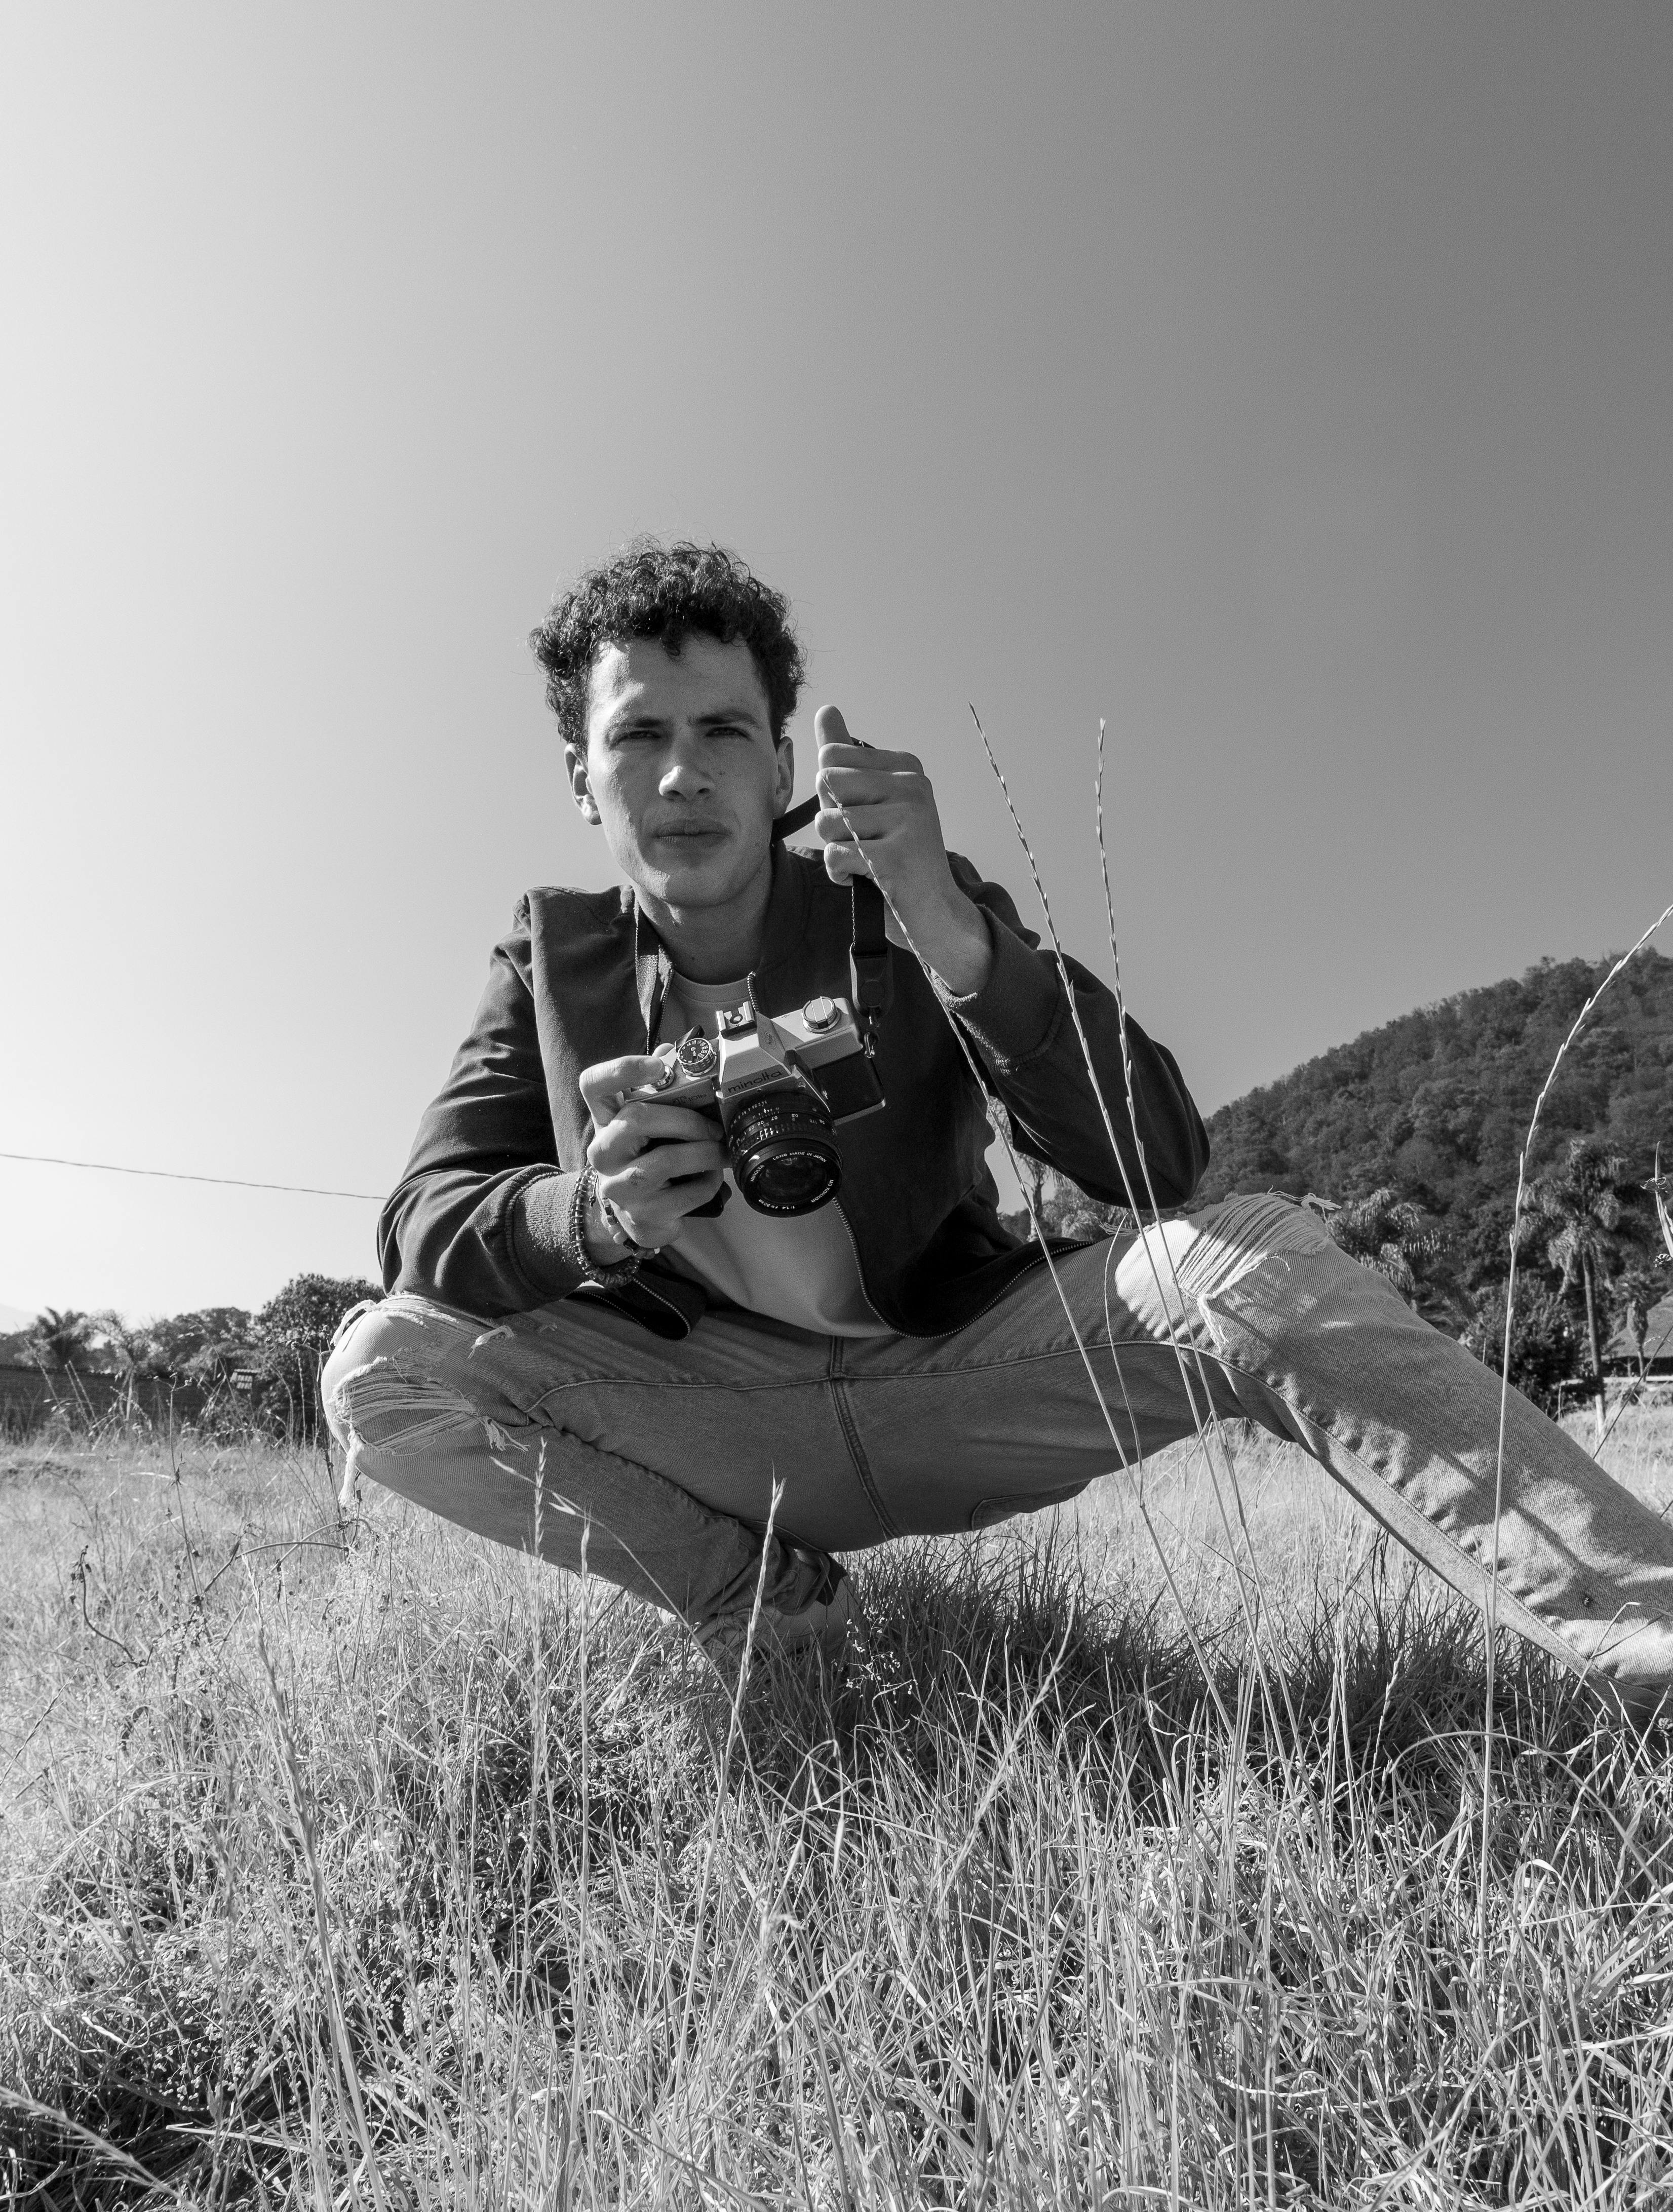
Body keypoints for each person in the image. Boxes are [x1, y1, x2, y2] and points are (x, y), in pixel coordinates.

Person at [323, 540, 1673, 1710]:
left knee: (1245, 1251)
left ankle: (1649, 1646)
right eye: (639, 737)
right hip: (724, 1420)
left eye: (723, 731)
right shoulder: (552, 961)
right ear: (582, 775)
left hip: (956, 1381)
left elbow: (1159, 1160)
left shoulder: (898, 896)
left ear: (781, 759)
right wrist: (592, 1214)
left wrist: (956, 936)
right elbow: (421, 1227)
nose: (683, 775)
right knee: (378, 1367)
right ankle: (768, 1610)